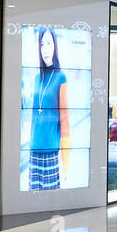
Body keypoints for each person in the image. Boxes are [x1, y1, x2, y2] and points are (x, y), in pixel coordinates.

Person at [28, 27, 70, 190]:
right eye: (42, 43)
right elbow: (32, 115)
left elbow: (65, 120)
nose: (45, 48)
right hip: (34, 149)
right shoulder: (36, 77)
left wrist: (66, 164)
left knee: (50, 200)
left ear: (55, 45)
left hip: (50, 150)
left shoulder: (61, 77)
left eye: (49, 43)